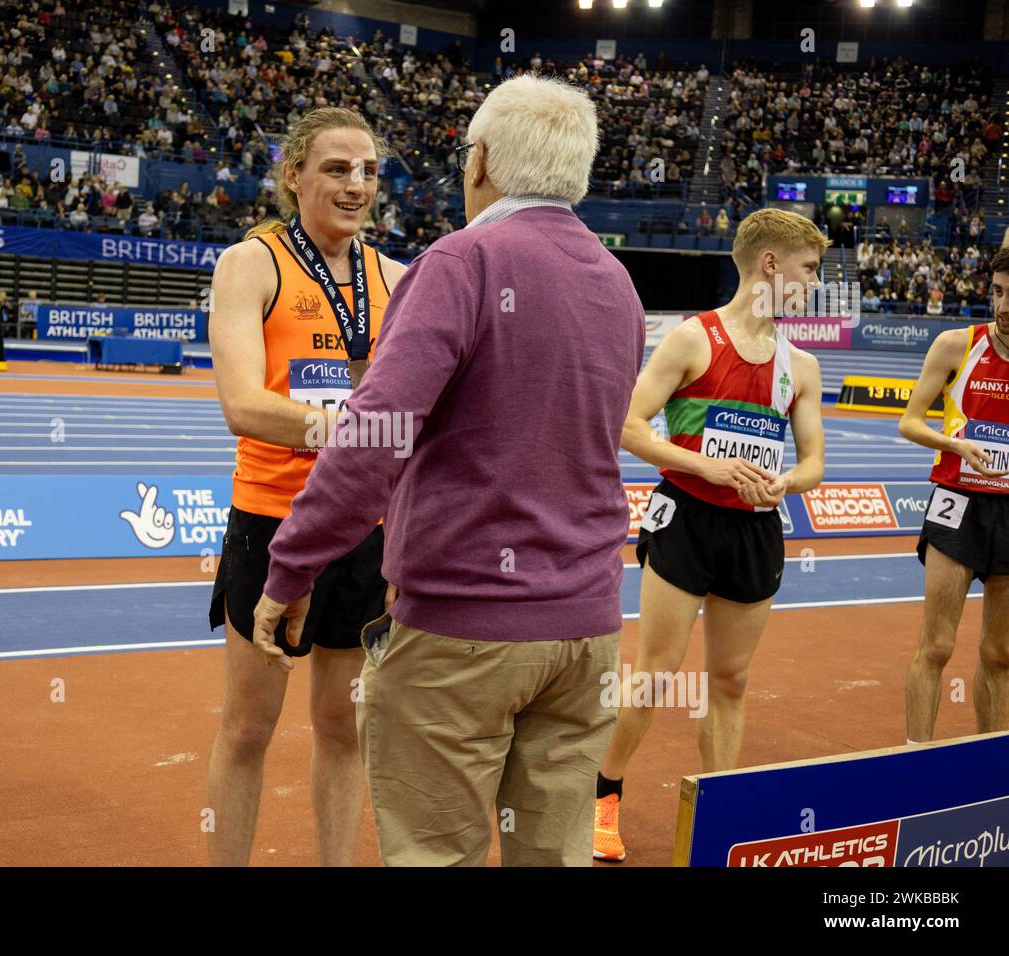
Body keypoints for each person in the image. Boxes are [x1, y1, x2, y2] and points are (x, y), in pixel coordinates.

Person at [253, 74, 644, 866]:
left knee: (438, 854)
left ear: (482, 163)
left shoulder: (462, 261)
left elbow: (375, 434)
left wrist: (291, 568)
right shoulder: (618, 282)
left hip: (463, 627)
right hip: (588, 627)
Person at [205, 106, 407, 867]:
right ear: (293, 176)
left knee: (344, 724)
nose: (355, 185)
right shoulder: (250, 265)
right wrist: (359, 431)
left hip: (369, 528)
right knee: (249, 728)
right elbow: (242, 406)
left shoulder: (398, 277)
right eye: (335, 168)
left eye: (367, 170)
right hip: (273, 520)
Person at [594, 208, 828, 862]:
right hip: (687, 518)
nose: (813, 285)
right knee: (658, 672)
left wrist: (783, 485)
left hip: (754, 531)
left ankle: (718, 810)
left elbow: (814, 462)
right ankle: (603, 792)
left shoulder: (799, 366)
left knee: (730, 682)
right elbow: (629, 425)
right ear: (770, 265)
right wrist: (705, 464)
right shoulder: (693, 341)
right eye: (808, 271)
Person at [899, 245, 1009, 743]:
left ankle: (992, 770)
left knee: (1000, 654)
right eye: (999, 293)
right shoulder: (955, 345)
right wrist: (953, 444)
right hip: (956, 502)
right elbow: (910, 422)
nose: (1004, 306)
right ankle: (914, 756)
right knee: (937, 646)